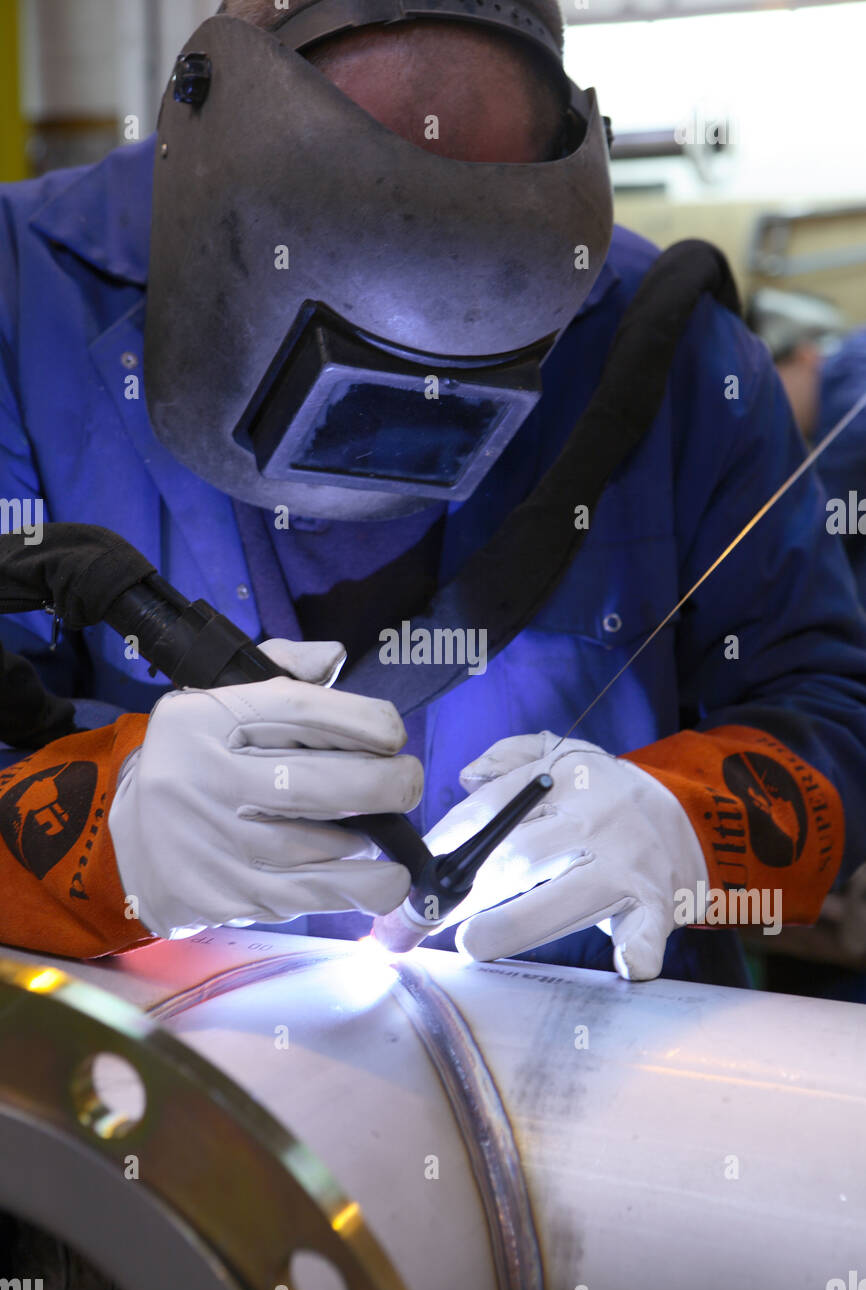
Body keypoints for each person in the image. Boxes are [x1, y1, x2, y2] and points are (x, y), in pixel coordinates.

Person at [1, 0, 865, 988]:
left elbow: (830, 713)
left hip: (580, 1096)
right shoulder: (21, 302)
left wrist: (687, 823)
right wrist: (105, 835)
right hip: (157, 1099)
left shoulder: (665, 347)